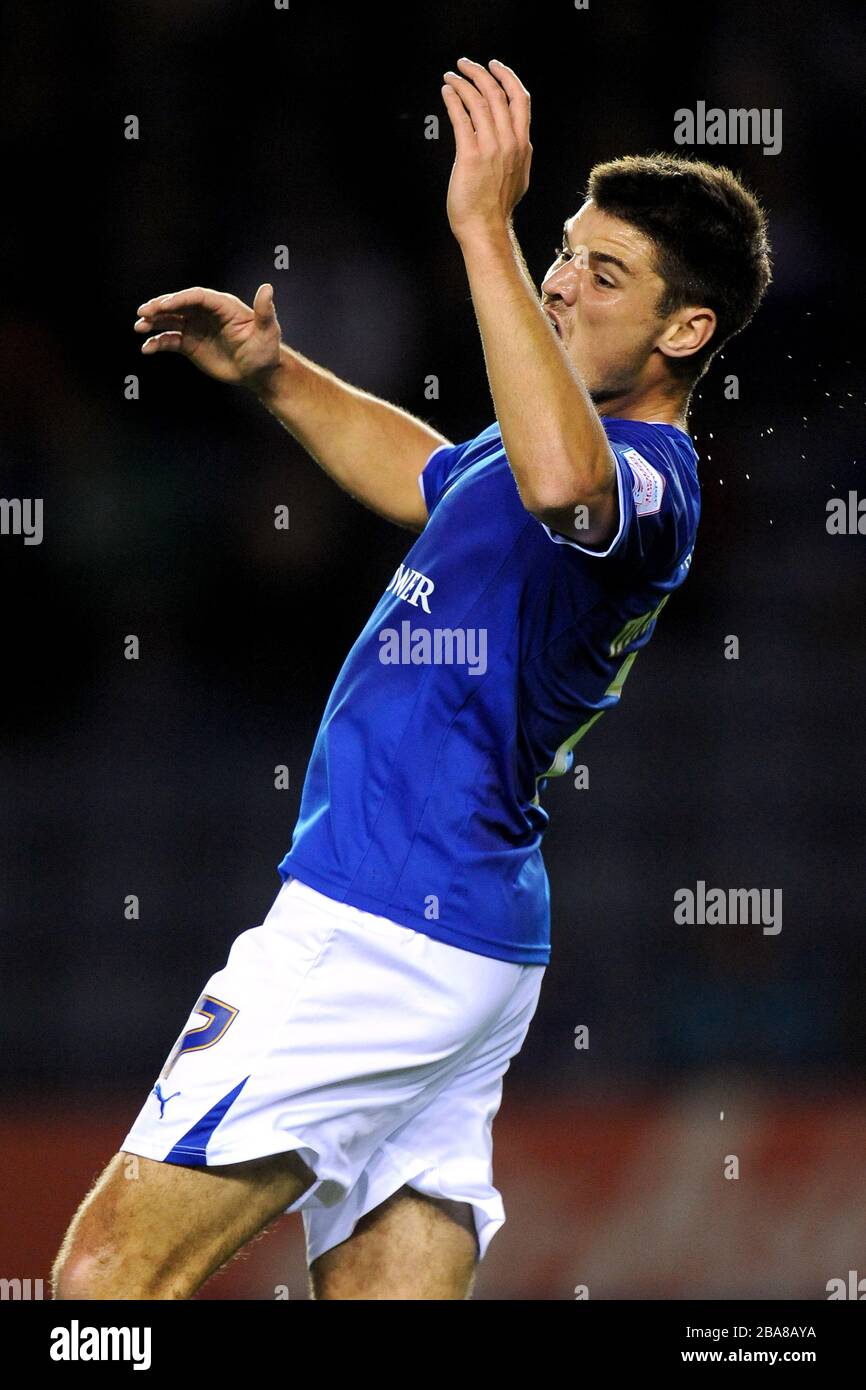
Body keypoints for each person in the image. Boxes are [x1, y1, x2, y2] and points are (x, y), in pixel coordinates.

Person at [52, 58, 771, 1300]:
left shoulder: (649, 483)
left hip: (378, 917)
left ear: (684, 329)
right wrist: (280, 377)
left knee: (100, 1288)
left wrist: (481, 226)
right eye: (560, 249)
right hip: (469, 944)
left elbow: (559, 485)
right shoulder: (537, 434)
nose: (558, 279)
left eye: (603, 274)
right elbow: (438, 477)